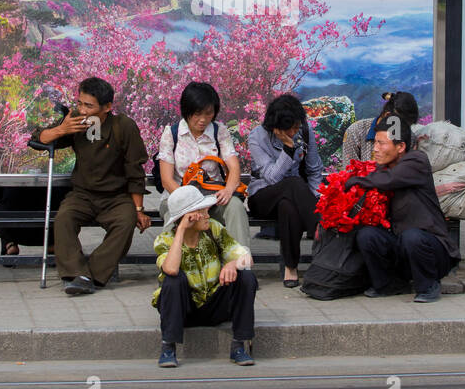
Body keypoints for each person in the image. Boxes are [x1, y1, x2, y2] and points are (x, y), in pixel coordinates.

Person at [34, 76, 149, 295]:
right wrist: (63, 129)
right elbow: (40, 139)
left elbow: (135, 170)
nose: (83, 110)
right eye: (79, 103)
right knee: (64, 219)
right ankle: (76, 272)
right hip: (82, 195)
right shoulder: (75, 120)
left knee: (125, 224)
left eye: (89, 106)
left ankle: (90, 275)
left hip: (116, 197)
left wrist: (139, 209)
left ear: (107, 107)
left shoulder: (123, 126)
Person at [346, 114, 459, 303]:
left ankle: (428, 285)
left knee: (412, 236)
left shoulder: (417, 161)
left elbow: (391, 179)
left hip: (433, 252)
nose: (375, 149)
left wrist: (357, 180)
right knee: (367, 235)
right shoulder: (383, 168)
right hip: (403, 249)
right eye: (375, 143)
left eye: (381, 144)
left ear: (401, 147)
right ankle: (388, 285)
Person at [153, 185, 257, 368]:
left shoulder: (214, 229)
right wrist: (181, 230)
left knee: (246, 277)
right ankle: (168, 346)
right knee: (173, 280)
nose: (208, 215)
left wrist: (233, 264)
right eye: (202, 211)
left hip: (214, 304)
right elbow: (170, 269)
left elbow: (247, 258)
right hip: (185, 308)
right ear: (190, 216)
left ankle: (239, 344)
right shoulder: (166, 240)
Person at [156, 82, 249, 245]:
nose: (203, 120)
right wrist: (191, 205)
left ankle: (241, 261)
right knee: (174, 214)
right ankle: (171, 266)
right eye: (197, 114)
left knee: (235, 205)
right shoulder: (171, 134)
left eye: (208, 113)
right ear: (187, 111)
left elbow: (234, 168)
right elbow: (167, 180)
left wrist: (228, 190)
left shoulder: (219, 131)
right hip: (178, 197)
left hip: (211, 198)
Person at [246, 93, 323, 287]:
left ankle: (291, 267)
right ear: (275, 127)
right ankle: (320, 227)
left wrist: (315, 197)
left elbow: (314, 170)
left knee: (288, 206)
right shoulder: (257, 137)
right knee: (293, 183)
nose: (294, 132)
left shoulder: (305, 131)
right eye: (289, 129)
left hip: (293, 197)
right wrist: (288, 148)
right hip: (263, 196)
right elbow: (272, 177)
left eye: (297, 127)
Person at [341, 90, 420, 165]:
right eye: (401, 126)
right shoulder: (356, 131)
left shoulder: (410, 137)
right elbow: (349, 172)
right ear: (387, 116)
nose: (404, 131)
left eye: (407, 127)